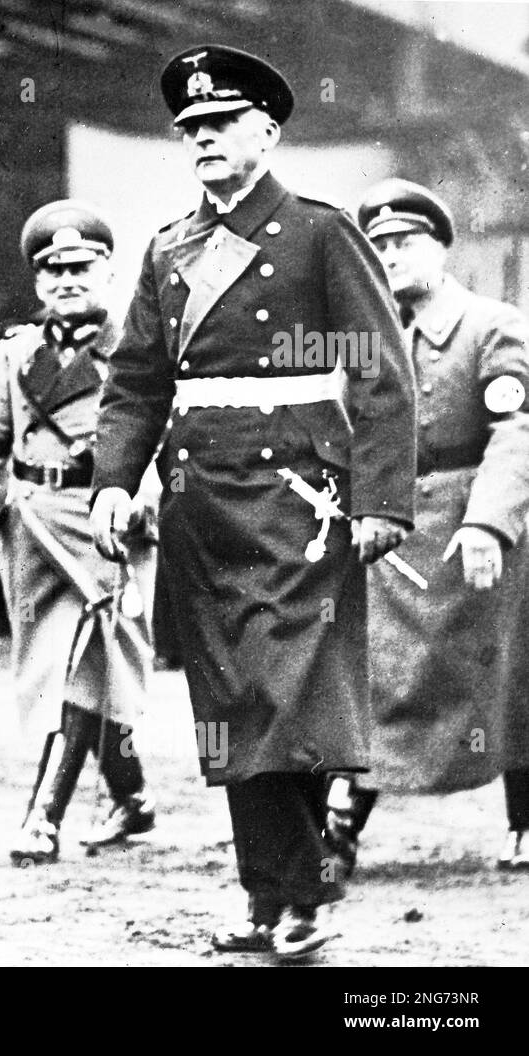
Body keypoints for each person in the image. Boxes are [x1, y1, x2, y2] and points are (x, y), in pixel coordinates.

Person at [88, 45, 417, 959]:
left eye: (220, 124)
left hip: (301, 496)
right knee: (232, 702)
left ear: (265, 132)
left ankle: (299, 894)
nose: (201, 139)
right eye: (189, 128)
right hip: (203, 502)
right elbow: (134, 384)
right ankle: (267, 896)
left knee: (288, 696)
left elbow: (382, 373)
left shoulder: (320, 231)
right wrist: (115, 481)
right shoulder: (168, 247)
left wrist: (383, 498)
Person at [323, 179, 529, 873]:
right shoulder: (366, 339)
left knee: (505, 675)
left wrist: (490, 525)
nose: (390, 255)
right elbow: (344, 428)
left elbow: (517, 431)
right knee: (376, 672)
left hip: (475, 527)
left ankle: (524, 821)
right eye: (377, 245)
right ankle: (341, 825)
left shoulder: (492, 325)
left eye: (404, 242)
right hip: (391, 526)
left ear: (441, 248)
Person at [0, 200, 159, 866]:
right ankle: (130, 795)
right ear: (39, 283)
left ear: (107, 272)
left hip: (108, 523)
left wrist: (141, 502)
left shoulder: (137, 349)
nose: (68, 282)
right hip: (33, 526)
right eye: (54, 272)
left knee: (85, 664)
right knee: (49, 668)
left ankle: (43, 816)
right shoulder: (16, 353)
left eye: (82, 268)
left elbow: (163, 438)